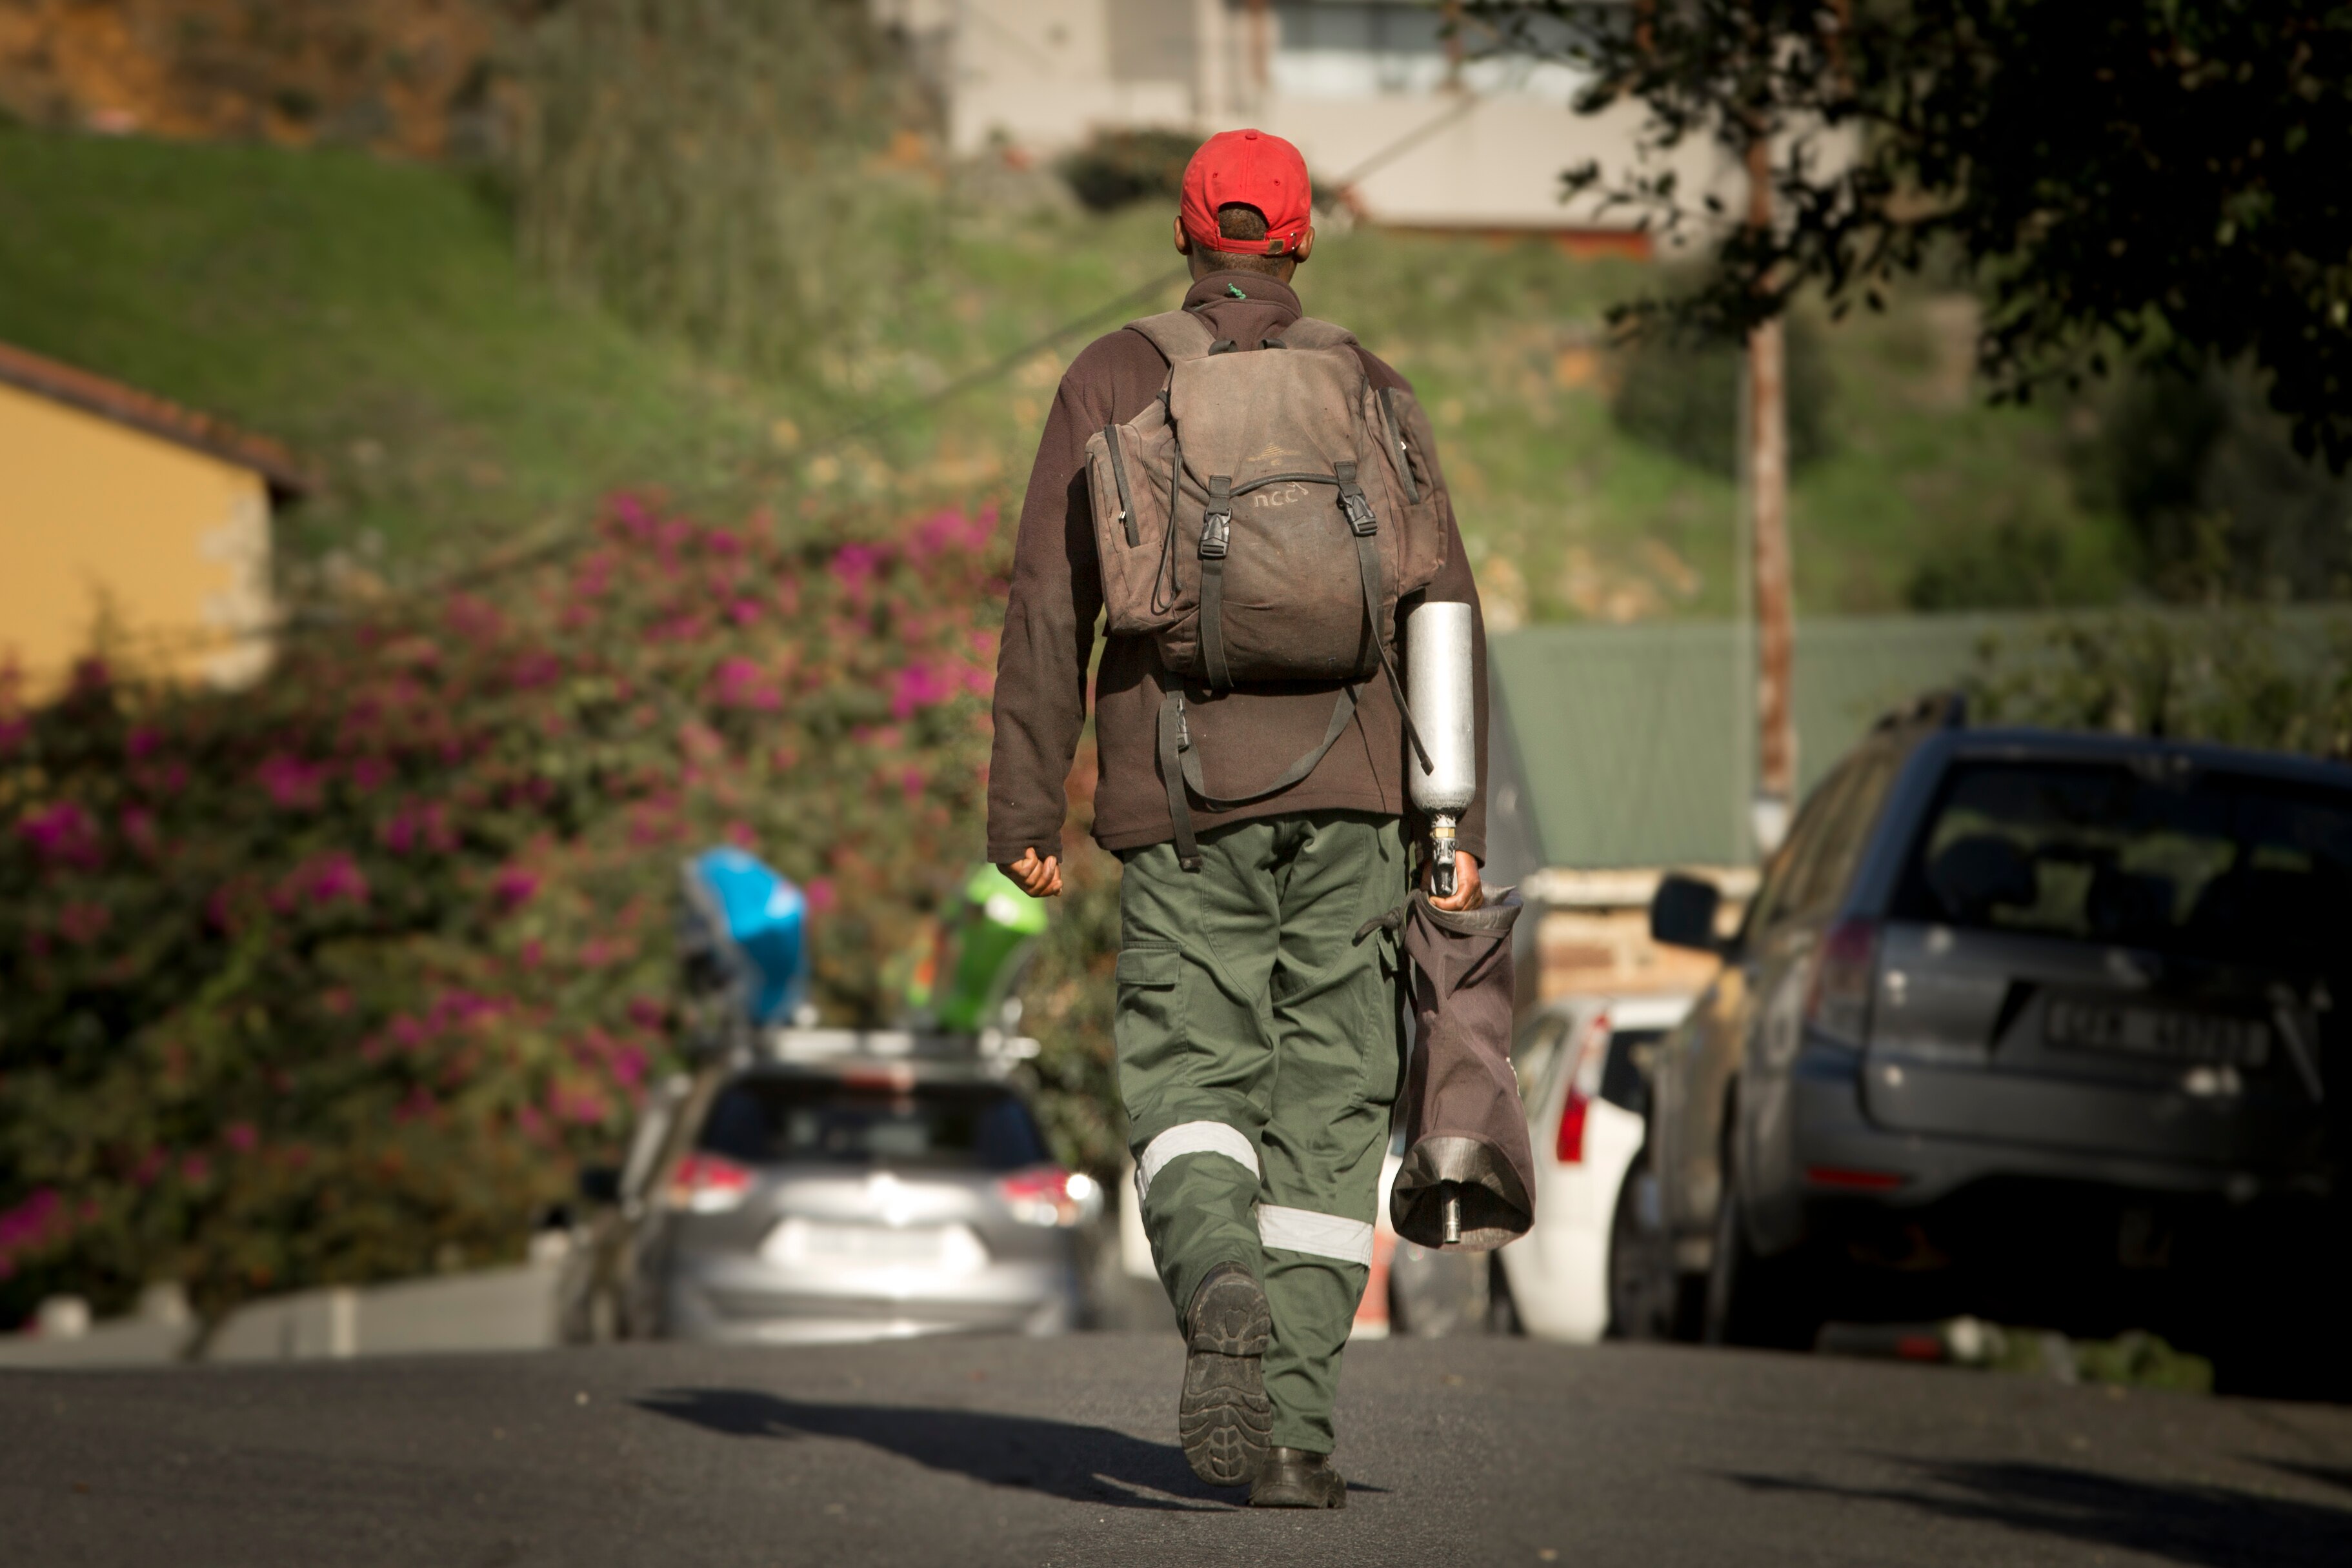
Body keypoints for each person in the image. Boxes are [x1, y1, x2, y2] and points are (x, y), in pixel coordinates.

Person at [987, 128, 1487, 1509]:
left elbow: (1046, 602)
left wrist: (1027, 803)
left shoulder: (1107, 377)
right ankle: (1292, 1441)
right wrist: (1451, 829)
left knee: (1187, 1074)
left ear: (1185, 232)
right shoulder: (1367, 384)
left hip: (1176, 794)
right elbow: (1442, 606)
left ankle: (1211, 1272)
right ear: (1301, 238)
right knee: (1326, 1103)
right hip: (1357, 796)